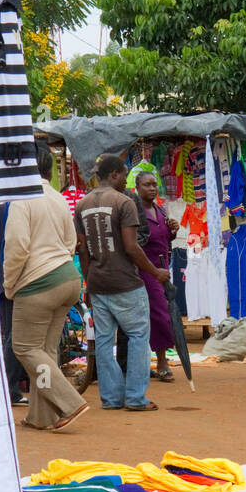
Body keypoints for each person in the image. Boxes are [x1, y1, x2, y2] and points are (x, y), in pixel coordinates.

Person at [74, 154, 171, 412]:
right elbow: (131, 247)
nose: (126, 181)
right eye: (125, 176)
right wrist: (155, 272)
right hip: (125, 282)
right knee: (139, 336)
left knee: (105, 342)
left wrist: (89, 283)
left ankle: (112, 399)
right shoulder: (124, 202)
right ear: (115, 174)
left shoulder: (82, 205)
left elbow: (82, 249)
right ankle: (136, 398)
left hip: (98, 282)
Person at [3, 144, 87, 429]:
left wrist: (9, 283)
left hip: (37, 283)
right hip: (67, 278)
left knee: (25, 348)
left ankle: (70, 403)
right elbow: (69, 241)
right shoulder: (57, 197)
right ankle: (41, 417)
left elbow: (17, 247)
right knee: (45, 352)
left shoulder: (20, 199)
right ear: (49, 170)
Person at [135, 171, 181, 382]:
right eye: (147, 185)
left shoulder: (159, 211)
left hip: (163, 269)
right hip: (145, 271)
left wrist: (172, 230)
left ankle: (157, 358)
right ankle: (161, 360)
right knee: (160, 314)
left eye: (154, 185)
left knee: (164, 313)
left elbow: (164, 238)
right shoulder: (135, 213)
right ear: (138, 188)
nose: (152, 188)